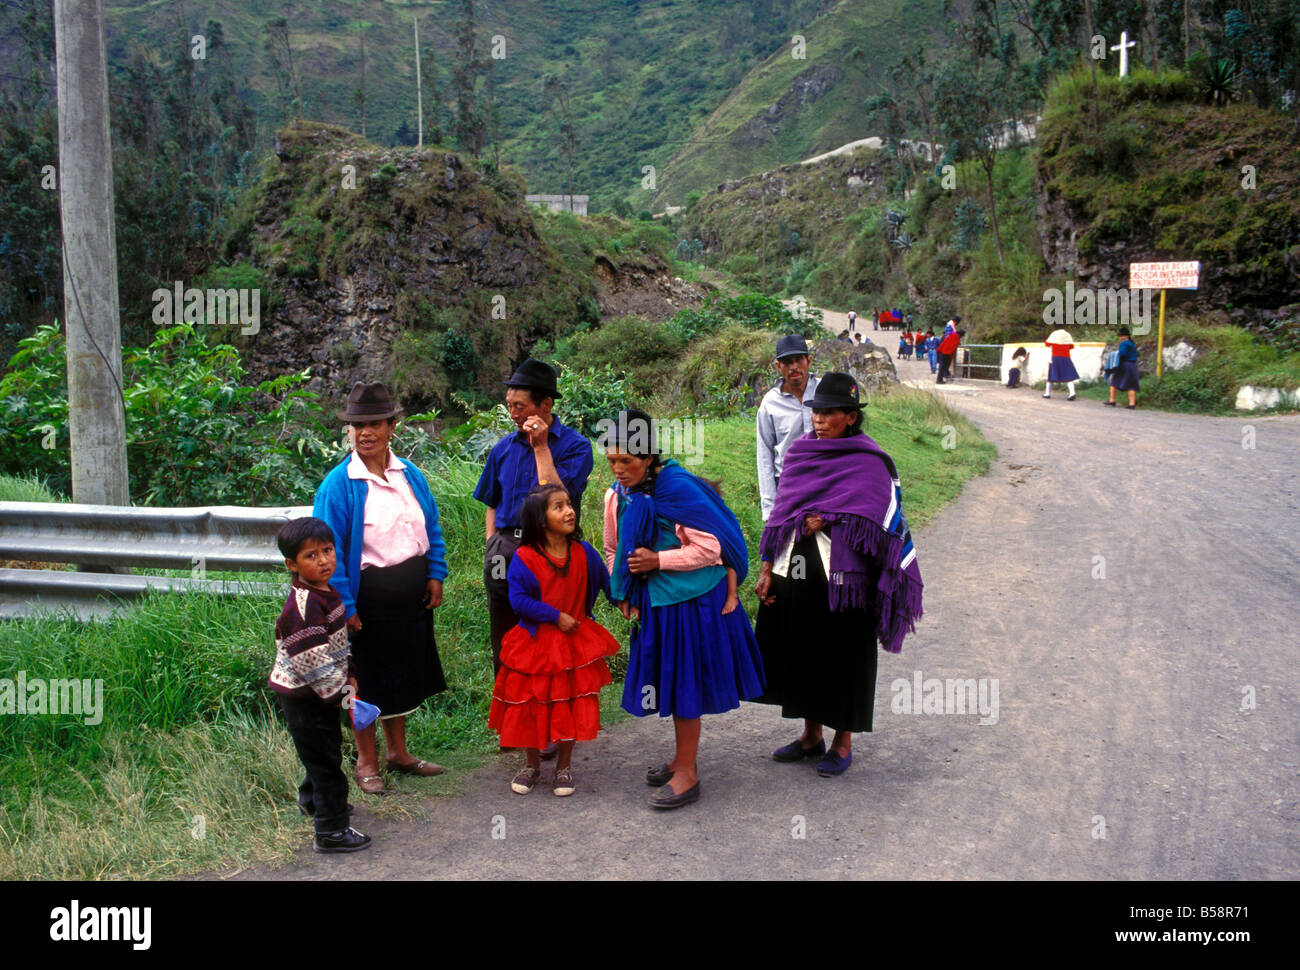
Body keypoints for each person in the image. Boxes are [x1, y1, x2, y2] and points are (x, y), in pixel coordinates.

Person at [754, 373, 923, 777]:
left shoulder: (870, 461)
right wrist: (765, 568)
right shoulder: (799, 455)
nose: (820, 420)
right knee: (803, 650)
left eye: (830, 413)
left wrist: (828, 520)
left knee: (845, 654)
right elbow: (782, 512)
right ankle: (810, 735)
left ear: (851, 417)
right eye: (817, 412)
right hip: (796, 569)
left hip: (848, 580)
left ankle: (842, 741)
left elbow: (880, 525)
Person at [603, 409, 765, 810]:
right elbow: (612, 549)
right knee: (672, 683)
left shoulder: (676, 490)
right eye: (612, 461)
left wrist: (658, 562)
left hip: (691, 604)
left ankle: (688, 773)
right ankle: (680, 759)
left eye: (628, 461)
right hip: (655, 604)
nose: (619, 469)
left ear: (650, 457)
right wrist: (622, 590)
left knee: (684, 684)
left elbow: (711, 549)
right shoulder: (619, 496)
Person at [313, 382, 450, 795]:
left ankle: (398, 753)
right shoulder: (340, 485)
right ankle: (366, 761)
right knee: (366, 680)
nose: (365, 432)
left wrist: (435, 574)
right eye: (357, 425)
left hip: (410, 594)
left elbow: (431, 527)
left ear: (393, 426)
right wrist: (346, 605)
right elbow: (328, 552)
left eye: (374, 423)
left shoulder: (410, 474)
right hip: (366, 600)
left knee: (403, 674)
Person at [488, 484, 621, 797]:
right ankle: (532, 764)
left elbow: (608, 586)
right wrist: (554, 615)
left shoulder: (584, 552)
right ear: (540, 519)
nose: (569, 511)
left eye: (568, 505)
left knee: (569, 704)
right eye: (558, 507)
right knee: (531, 704)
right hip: (535, 643)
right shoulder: (524, 556)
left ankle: (564, 766)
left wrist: (630, 604)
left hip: (573, 643)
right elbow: (518, 600)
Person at [474, 358, 594, 694]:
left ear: (545, 405)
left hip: (551, 550)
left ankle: (549, 713)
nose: (512, 413)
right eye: (509, 405)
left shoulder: (575, 447)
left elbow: (556, 499)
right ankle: (512, 711)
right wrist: (492, 544)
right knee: (505, 631)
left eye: (520, 406)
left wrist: (541, 447)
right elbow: (492, 502)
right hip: (504, 550)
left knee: (548, 630)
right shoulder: (502, 449)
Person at [270, 516, 370, 852]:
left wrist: (350, 674)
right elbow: (312, 664)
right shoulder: (303, 607)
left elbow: (338, 645)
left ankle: (313, 802)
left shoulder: (326, 591)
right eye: (311, 556)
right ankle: (330, 832)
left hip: (323, 691)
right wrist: (343, 695)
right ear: (291, 564)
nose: (324, 560)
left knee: (320, 753)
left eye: (327, 550)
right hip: (305, 695)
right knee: (326, 762)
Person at [756, 334, 820, 522]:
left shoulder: (824, 390)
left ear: (809, 360)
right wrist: (769, 509)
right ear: (778, 366)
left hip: (826, 483)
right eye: (787, 362)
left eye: (798, 360)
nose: (794, 367)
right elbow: (764, 455)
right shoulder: (770, 404)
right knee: (792, 550)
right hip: (789, 489)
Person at [1106, 326, 1140, 409]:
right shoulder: (1132, 343)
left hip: (1125, 365)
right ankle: (1132, 403)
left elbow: (1122, 354)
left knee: (1114, 382)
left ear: (1126, 336)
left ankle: (1112, 400)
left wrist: (1114, 355)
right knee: (1131, 385)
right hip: (1133, 365)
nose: (1120, 337)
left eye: (1121, 336)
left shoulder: (1124, 344)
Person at [1043, 328, 1078, 400]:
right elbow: (1072, 347)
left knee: (1051, 376)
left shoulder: (1052, 341)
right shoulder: (1067, 342)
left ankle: (1047, 393)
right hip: (1066, 358)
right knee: (1068, 376)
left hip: (1055, 358)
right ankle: (1072, 393)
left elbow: (1046, 343)